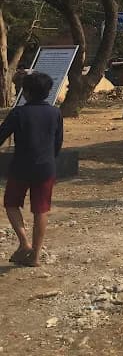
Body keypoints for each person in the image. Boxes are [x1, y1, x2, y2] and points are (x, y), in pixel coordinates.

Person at [0, 71, 63, 267]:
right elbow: (58, 142)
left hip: (21, 168)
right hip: (46, 168)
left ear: (25, 92)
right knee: (41, 210)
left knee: (11, 203)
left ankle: (24, 243)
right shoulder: (55, 113)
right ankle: (35, 257)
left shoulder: (19, 113)